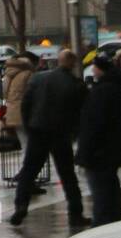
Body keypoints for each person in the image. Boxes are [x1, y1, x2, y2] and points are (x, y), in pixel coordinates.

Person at [10, 49, 87, 227]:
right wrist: (73, 133)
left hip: (38, 130)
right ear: (73, 64)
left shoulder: (39, 78)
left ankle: (20, 206)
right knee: (68, 175)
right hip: (60, 133)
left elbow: (26, 104)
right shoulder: (75, 84)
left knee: (28, 171)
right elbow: (80, 112)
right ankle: (75, 214)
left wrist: (30, 127)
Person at [76, 55, 121, 226]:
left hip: (99, 152)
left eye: (95, 67)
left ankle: (100, 226)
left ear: (100, 69)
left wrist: (85, 152)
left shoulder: (101, 91)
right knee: (110, 190)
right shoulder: (115, 88)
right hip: (111, 149)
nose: (92, 70)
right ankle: (115, 221)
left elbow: (93, 124)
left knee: (100, 193)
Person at [2, 51, 37, 154]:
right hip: (26, 111)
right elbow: (33, 92)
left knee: (24, 142)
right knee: (31, 144)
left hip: (13, 111)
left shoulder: (9, 73)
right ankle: (29, 166)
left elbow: (5, 92)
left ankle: (26, 165)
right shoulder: (28, 73)